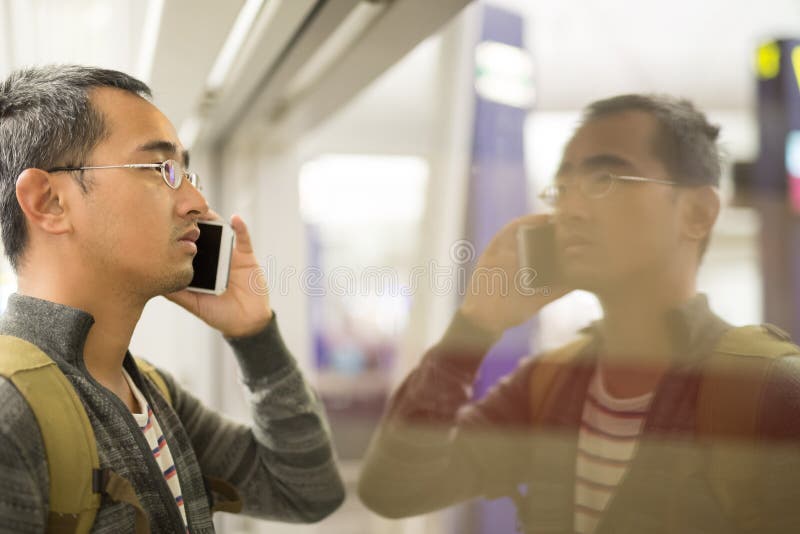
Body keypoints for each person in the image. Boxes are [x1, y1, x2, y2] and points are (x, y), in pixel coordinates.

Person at [358, 94, 800, 533]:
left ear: (698, 213)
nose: (569, 209)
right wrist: (475, 325)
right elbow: (394, 491)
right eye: (562, 189)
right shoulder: (551, 382)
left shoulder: (767, 387)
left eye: (605, 180)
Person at [0, 65, 344, 533]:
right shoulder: (10, 412)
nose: (197, 202)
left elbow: (305, 490)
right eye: (161, 169)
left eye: (185, 170)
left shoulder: (148, 391)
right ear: (49, 202)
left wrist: (255, 336)